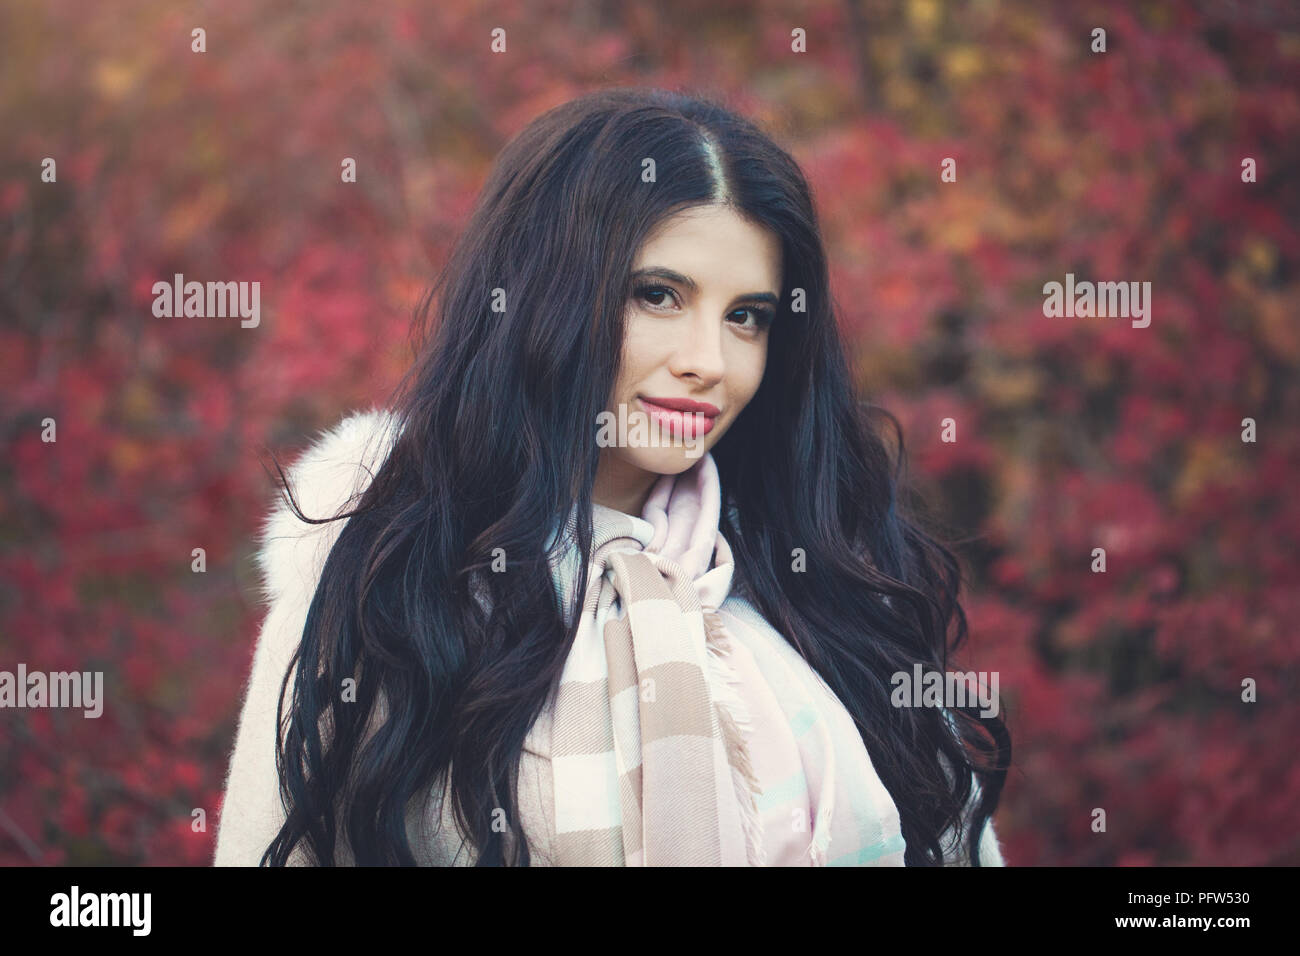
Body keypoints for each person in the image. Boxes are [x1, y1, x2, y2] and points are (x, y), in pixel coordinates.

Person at [214, 86, 1011, 867]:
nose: (709, 362)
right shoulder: (390, 580)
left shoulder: (827, 581)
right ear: (544, 298)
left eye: (748, 317)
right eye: (659, 296)